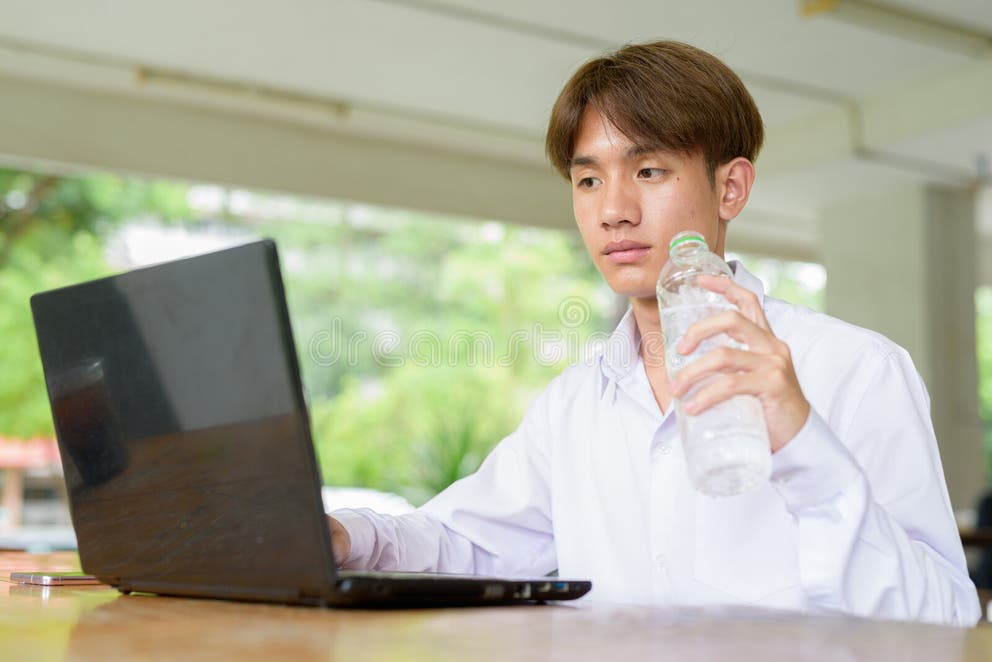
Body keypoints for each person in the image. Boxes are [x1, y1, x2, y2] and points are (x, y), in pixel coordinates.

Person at [326, 41, 981, 626]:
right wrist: (336, 537)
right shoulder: (574, 406)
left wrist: (805, 444)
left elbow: (948, 622)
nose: (613, 211)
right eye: (588, 180)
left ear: (731, 188)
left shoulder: (856, 369)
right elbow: (461, 542)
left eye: (649, 172)